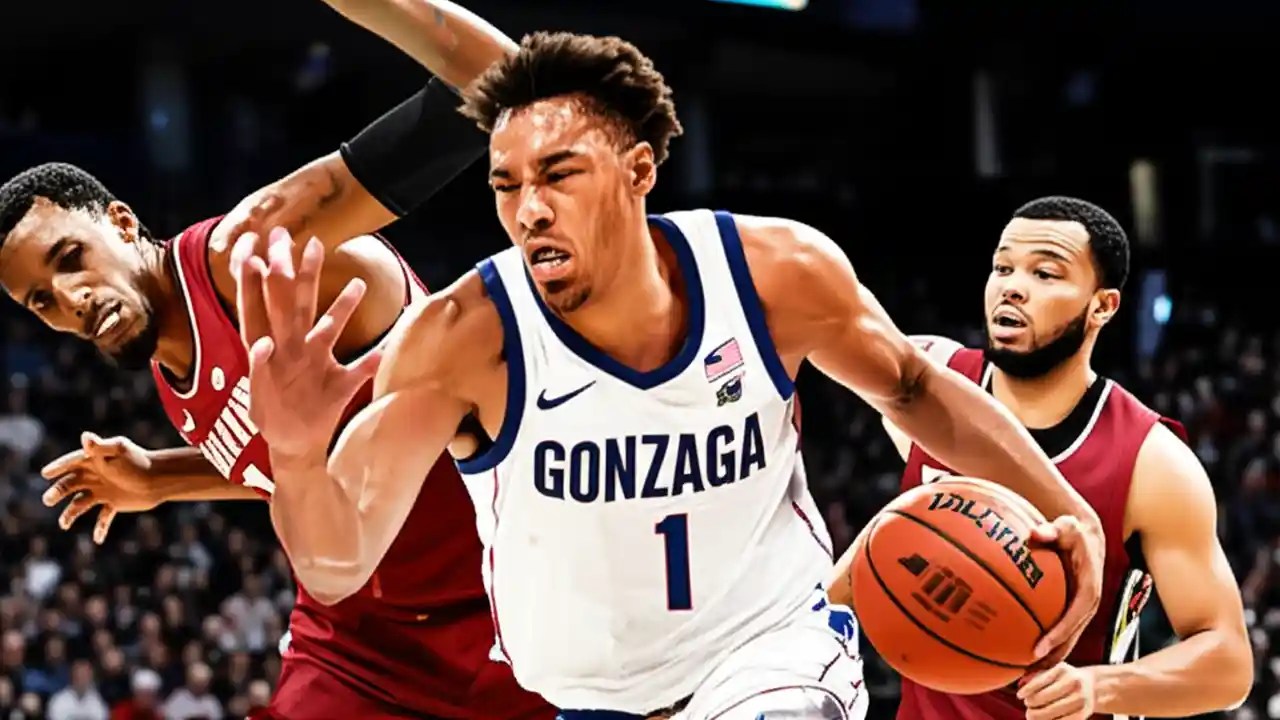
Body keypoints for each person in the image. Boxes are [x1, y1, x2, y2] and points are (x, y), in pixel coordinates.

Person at [234, 32, 1110, 720]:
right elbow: (336, 563)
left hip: (773, 650)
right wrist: (301, 455)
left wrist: (1066, 508)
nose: (527, 207)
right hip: (581, 700)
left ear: (640, 170)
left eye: (558, 173)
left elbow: (914, 388)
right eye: (505, 184)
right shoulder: (463, 339)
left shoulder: (776, 274)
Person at [0, 2, 552, 719]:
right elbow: (285, 467)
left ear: (123, 221)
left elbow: (500, 78)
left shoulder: (250, 253)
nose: (70, 299)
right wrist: (160, 477)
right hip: (357, 641)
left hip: (504, 600)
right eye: (42, 301)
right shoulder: (171, 371)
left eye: (70, 258)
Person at [828, 196, 1252, 719]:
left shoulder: (1150, 461)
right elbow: (896, 532)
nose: (1013, 285)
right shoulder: (928, 384)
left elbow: (1229, 663)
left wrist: (1099, 688)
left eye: (1045, 273)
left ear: (1103, 306)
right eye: (1002, 267)